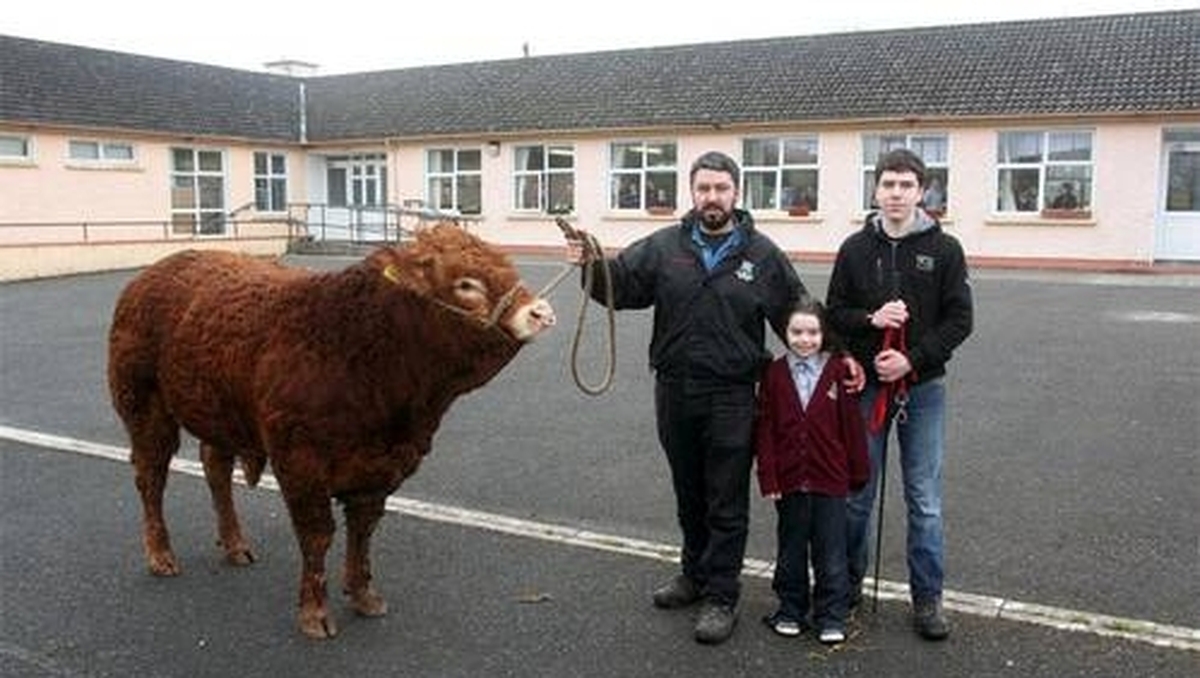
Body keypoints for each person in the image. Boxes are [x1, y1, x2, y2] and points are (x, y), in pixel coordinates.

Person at [566, 151, 861, 645]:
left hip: (733, 395)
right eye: (703, 188)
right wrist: (590, 265)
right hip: (675, 388)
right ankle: (694, 575)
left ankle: (722, 595)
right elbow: (623, 286)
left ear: (736, 193)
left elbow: (799, 315)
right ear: (692, 192)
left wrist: (841, 354)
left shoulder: (762, 256)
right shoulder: (664, 246)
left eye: (721, 189)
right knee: (690, 493)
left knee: (726, 499)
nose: (712, 197)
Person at [825, 148, 973, 641]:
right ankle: (843, 591)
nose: (895, 194)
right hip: (865, 389)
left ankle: (928, 599)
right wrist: (870, 322)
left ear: (922, 191)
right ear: (875, 189)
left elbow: (960, 320)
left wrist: (914, 358)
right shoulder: (853, 249)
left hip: (922, 390)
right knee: (856, 496)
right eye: (888, 184)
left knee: (924, 499)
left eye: (906, 185)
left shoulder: (945, 249)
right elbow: (834, 315)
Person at [754, 296, 869, 645]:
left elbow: (851, 427)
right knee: (791, 548)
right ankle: (790, 609)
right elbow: (766, 430)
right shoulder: (773, 374)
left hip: (830, 481)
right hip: (789, 481)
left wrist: (858, 472)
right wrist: (768, 476)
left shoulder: (837, 371)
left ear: (824, 334)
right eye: (797, 332)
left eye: (813, 332)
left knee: (831, 551)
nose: (805, 339)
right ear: (785, 333)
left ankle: (831, 615)